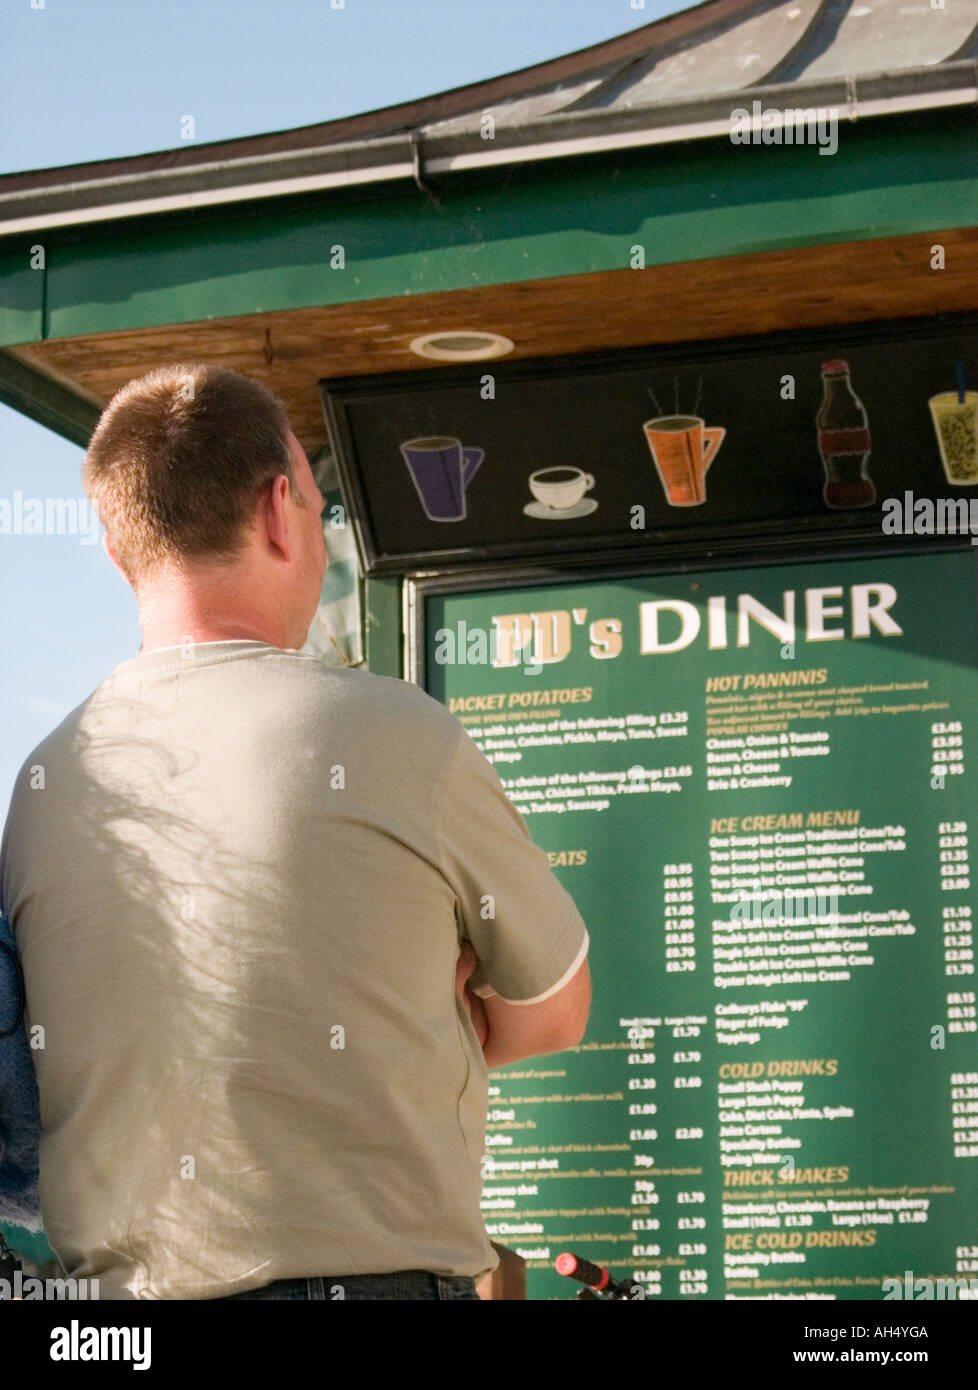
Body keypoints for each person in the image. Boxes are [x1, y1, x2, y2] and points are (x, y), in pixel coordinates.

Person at [0, 364, 591, 1301]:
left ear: (119, 556)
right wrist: (413, 1016)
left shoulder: (40, 787)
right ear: (281, 511)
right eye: (318, 512)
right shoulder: (404, 736)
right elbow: (555, 1010)